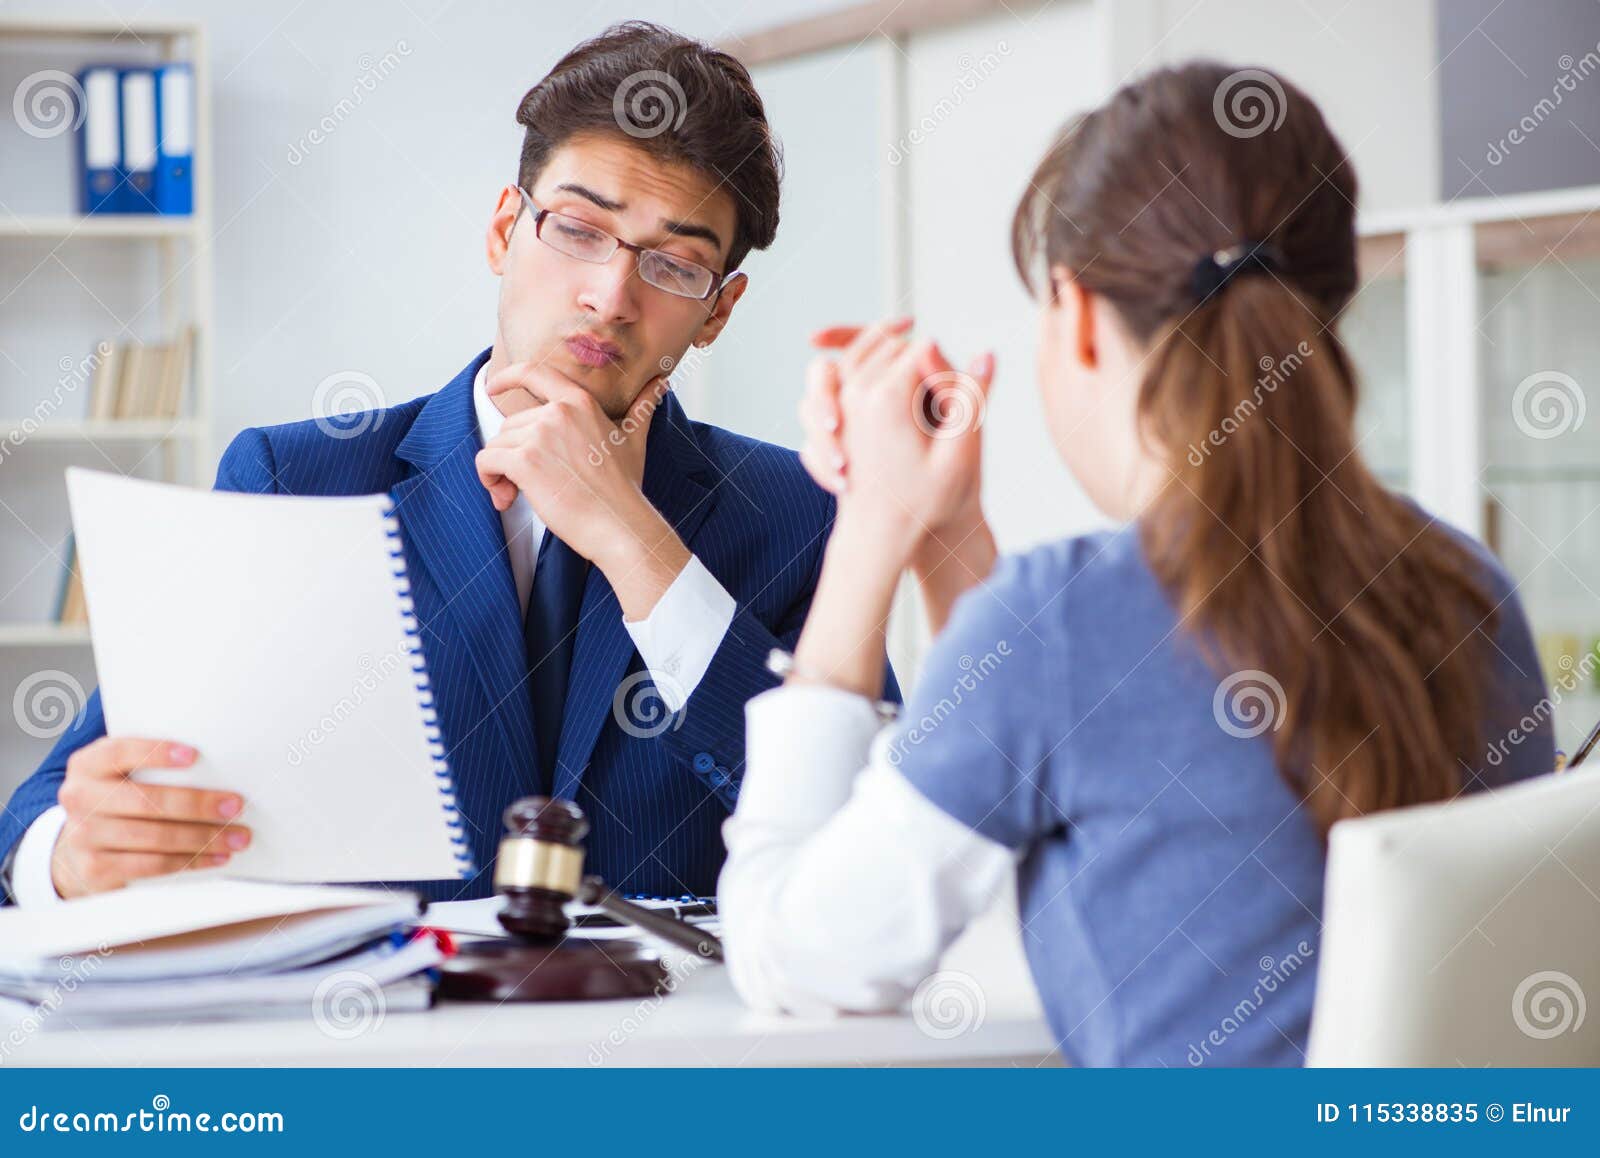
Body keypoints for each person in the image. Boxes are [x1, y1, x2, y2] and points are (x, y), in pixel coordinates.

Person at [717, 61, 1554, 1067]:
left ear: (1074, 315)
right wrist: (945, 531)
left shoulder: (1060, 623)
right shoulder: (1472, 592)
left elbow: (793, 960)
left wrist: (869, 528)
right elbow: (1066, 745)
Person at [0, 22, 896, 907]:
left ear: (717, 312)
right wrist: (74, 859)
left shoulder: (797, 514)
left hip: (673, 1007)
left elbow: (860, 848)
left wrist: (633, 541)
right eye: (579, 229)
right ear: (505, 231)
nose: (611, 295)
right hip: (371, 1003)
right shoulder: (296, 479)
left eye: (674, 264)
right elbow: (38, 817)